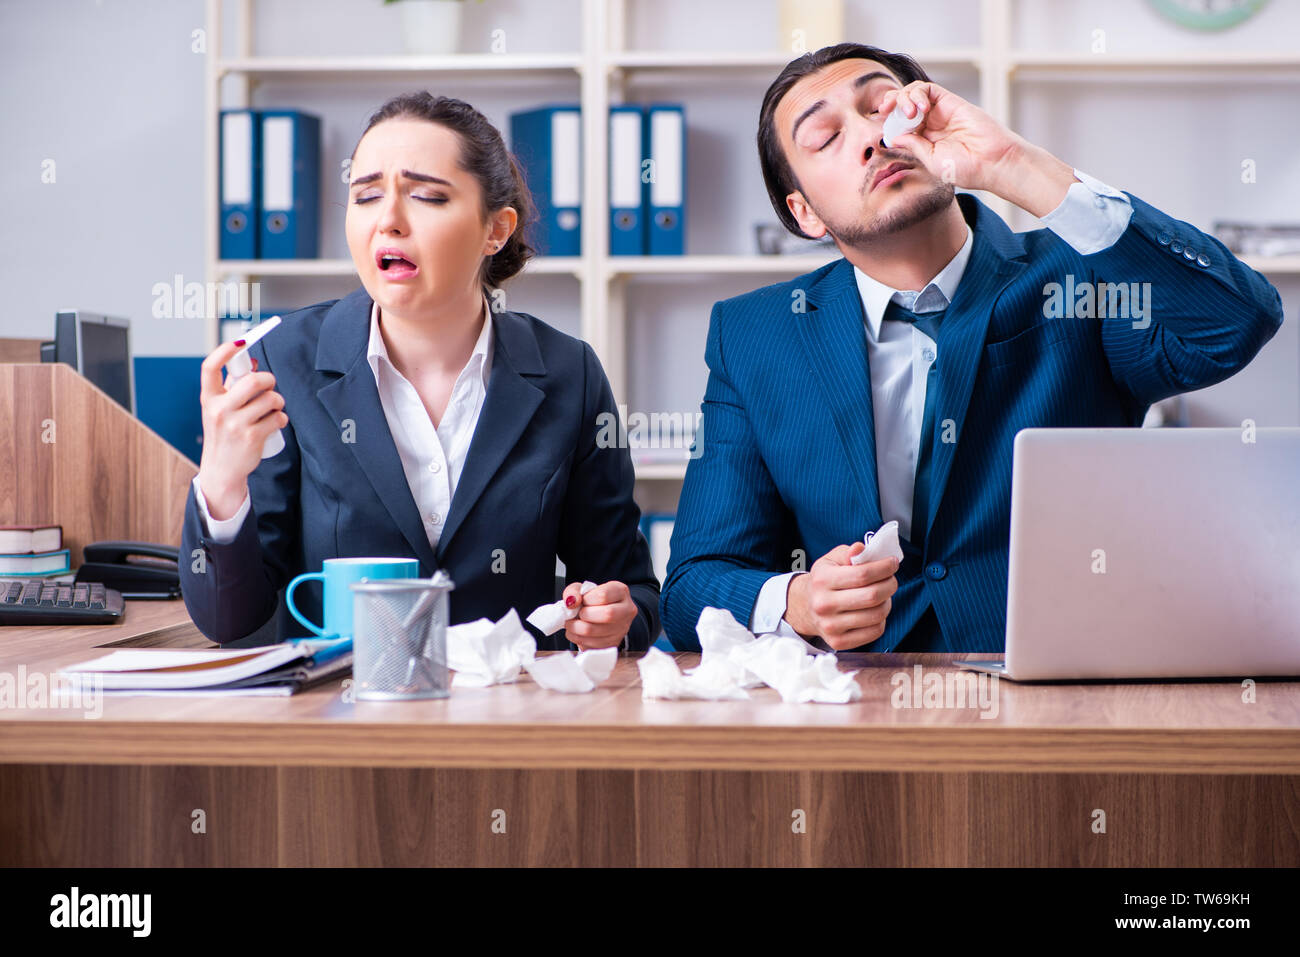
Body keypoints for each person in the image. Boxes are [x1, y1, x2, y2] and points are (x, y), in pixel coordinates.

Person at [661, 43, 1283, 653]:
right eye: (825, 138)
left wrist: (1017, 166)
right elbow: (693, 586)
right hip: (857, 709)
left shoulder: (1079, 278)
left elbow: (1236, 320)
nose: (872, 138)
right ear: (805, 215)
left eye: (884, 106)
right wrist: (796, 602)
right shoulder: (755, 336)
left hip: (1057, 697)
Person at [181, 92, 660, 651]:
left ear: (496, 230)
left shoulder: (566, 372)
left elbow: (632, 593)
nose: (388, 220)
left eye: (427, 196)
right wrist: (220, 480)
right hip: (341, 719)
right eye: (365, 197)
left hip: (509, 716)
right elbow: (227, 622)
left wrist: (610, 618)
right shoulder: (282, 362)